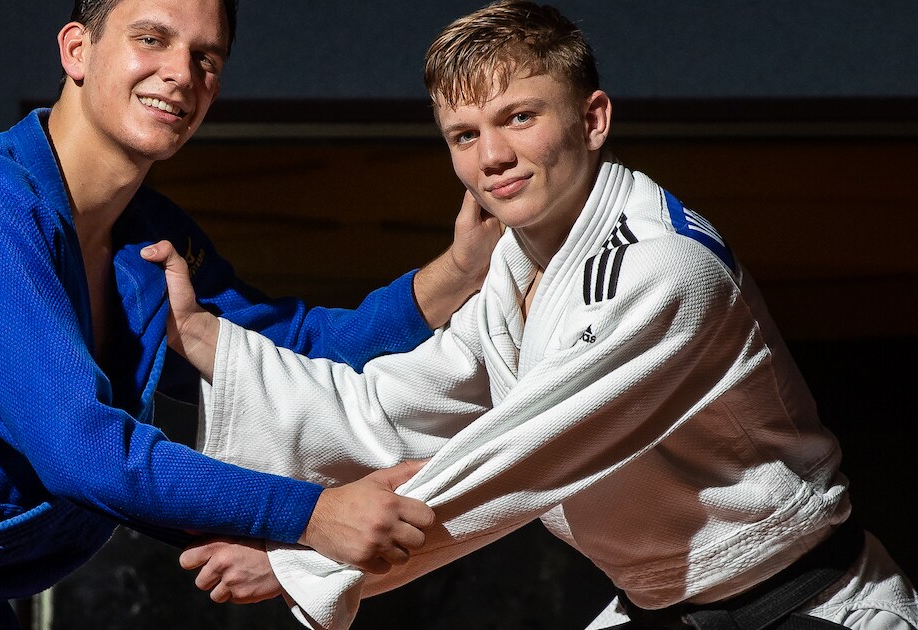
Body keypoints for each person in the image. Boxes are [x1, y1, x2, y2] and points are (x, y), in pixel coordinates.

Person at [0, 0, 502, 627]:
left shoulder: (150, 243)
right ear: (77, 51)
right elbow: (84, 450)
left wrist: (460, 269)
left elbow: (298, 348)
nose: (180, 75)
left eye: (206, 58)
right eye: (151, 39)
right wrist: (311, 517)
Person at [143, 1, 918, 628]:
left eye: (519, 118)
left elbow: (523, 456)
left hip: (810, 605)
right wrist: (207, 339)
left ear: (593, 119)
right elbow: (390, 407)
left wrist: (306, 560)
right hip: (662, 606)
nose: (492, 157)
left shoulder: (662, 267)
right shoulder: (518, 267)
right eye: (465, 135)